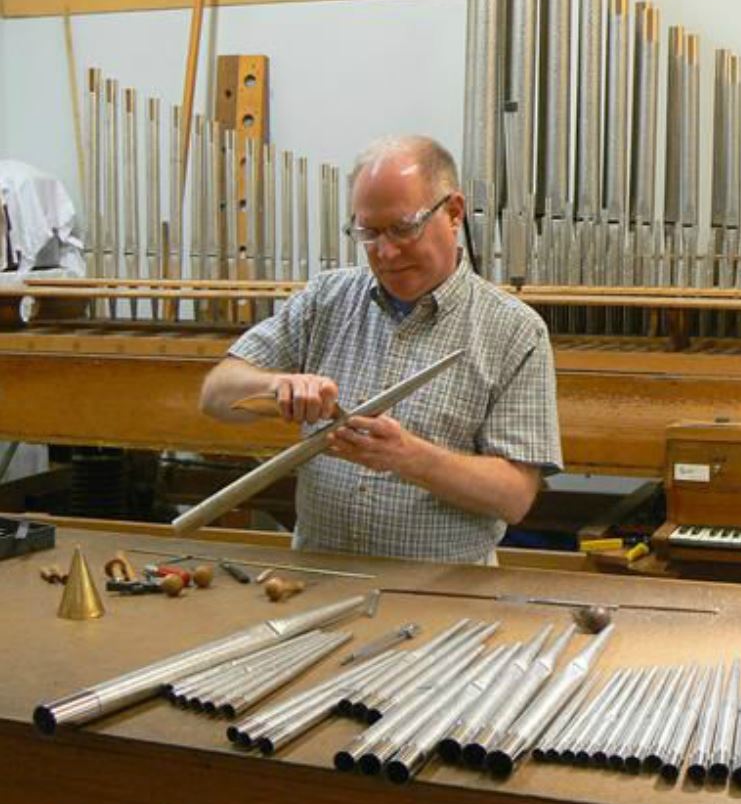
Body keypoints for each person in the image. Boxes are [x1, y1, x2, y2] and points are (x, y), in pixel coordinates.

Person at [199, 135, 562, 564]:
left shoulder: (516, 331)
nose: (386, 252)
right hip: (316, 582)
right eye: (368, 233)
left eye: (403, 228)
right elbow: (216, 394)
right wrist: (279, 386)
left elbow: (515, 496)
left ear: (453, 212)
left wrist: (410, 458)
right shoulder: (326, 299)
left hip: (440, 597)